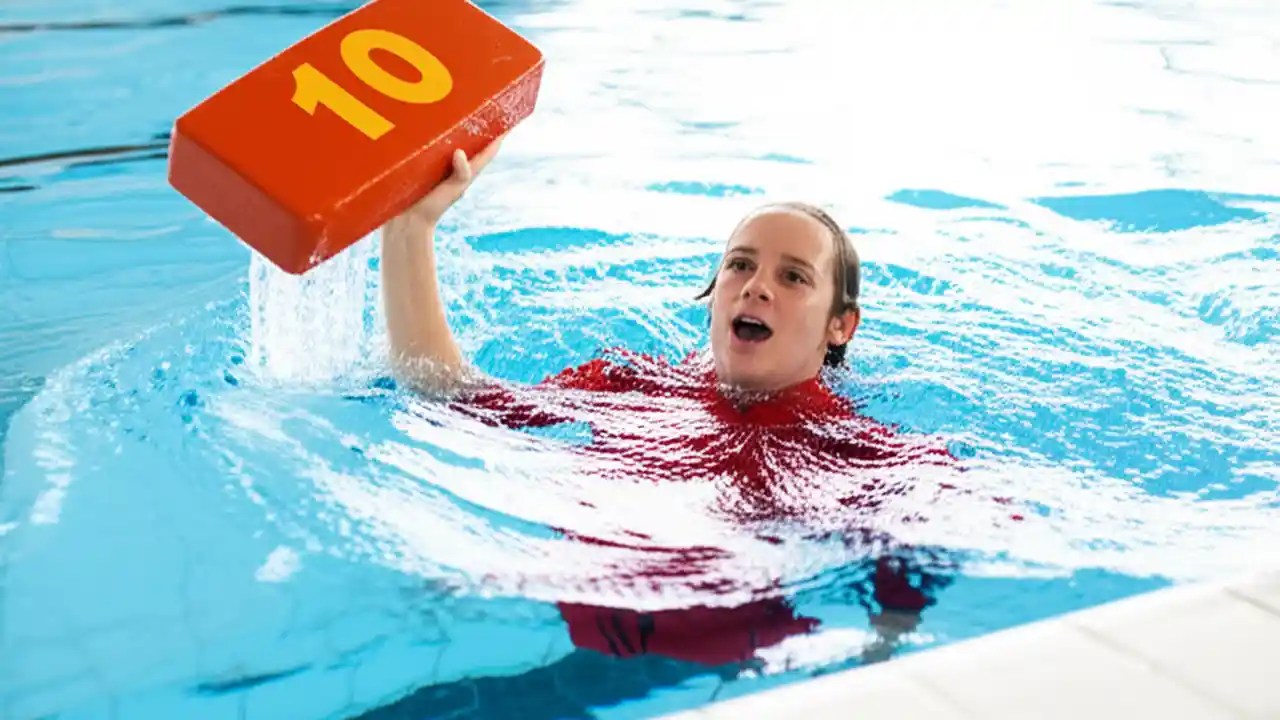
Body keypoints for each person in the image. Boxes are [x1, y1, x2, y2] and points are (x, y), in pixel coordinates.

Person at [380, 136, 960, 667]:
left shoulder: (861, 454)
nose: (757, 285)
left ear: (840, 326)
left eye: (793, 277)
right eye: (740, 264)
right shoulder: (626, 383)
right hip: (549, 622)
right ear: (715, 295)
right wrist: (410, 230)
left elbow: (919, 570)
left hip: (718, 667)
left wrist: (882, 651)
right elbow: (447, 394)